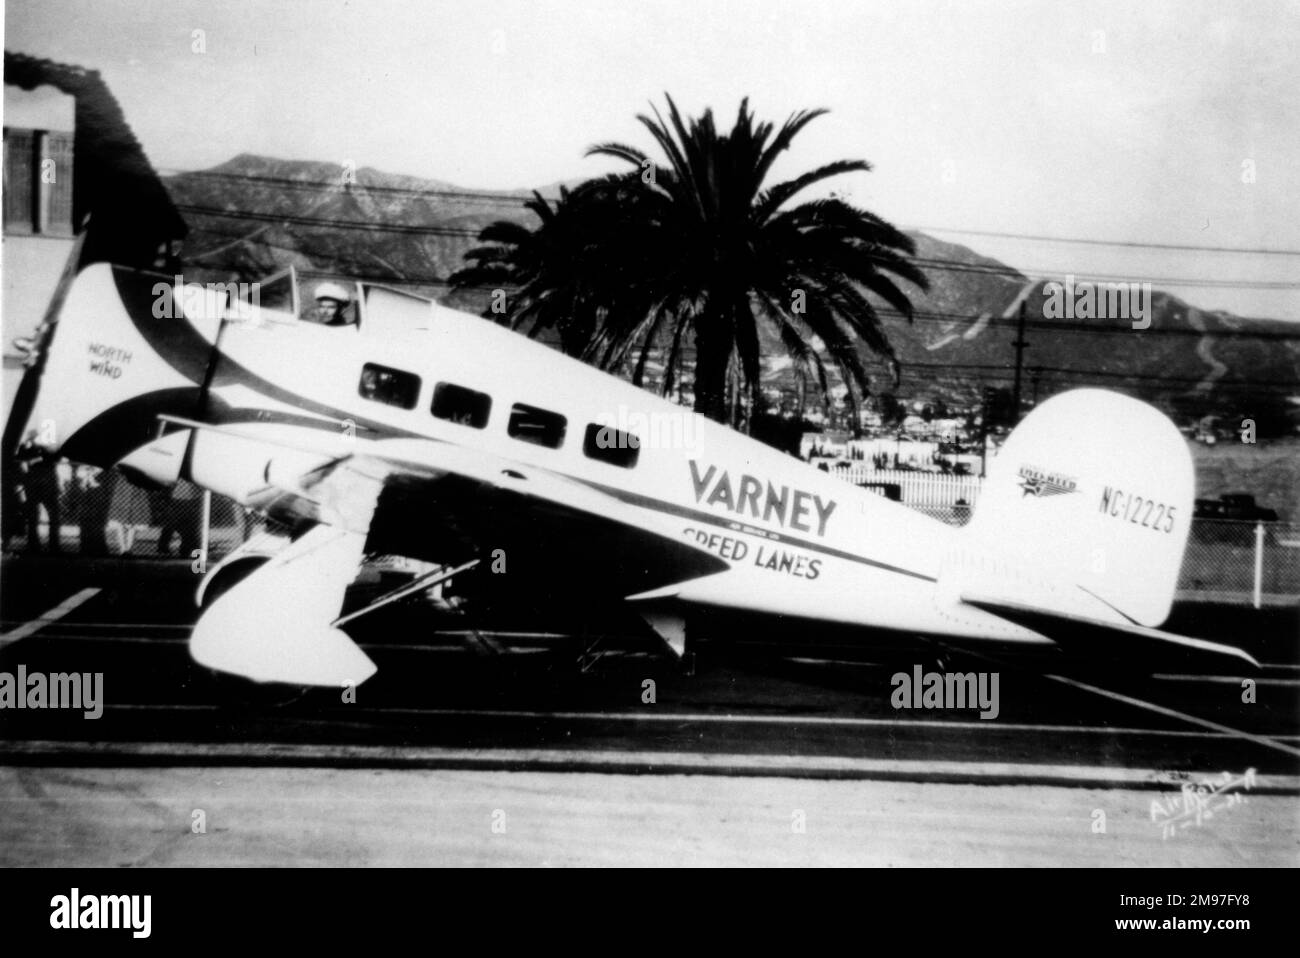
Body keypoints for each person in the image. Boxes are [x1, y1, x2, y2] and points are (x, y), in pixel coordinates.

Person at [14, 431, 63, 553]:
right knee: (33, 516)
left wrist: (36, 458)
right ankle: (34, 545)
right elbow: (19, 459)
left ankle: (53, 545)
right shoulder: (25, 448)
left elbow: (55, 456)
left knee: (53, 516)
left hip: (46, 486)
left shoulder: (46, 448)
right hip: (34, 485)